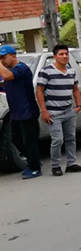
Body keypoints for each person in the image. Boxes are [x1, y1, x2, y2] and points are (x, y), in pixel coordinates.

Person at [36, 44, 81, 177]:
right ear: (54, 57)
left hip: (69, 111)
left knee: (71, 138)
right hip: (53, 113)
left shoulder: (71, 71)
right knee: (57, 140)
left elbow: (75, 88)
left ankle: (71, 164)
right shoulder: (46, 71)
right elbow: (39, 91)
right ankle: (55, 166)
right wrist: (43, 110)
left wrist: (78, 105)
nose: (64, 56)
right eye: (61, 54)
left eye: (66, 54)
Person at [0, 45, 42, 179]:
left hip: (27, 111)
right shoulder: (8, 71)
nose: (3, 61)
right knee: (16, 140)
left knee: (29, 141)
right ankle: (33, 160)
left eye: (3, 58)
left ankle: (35, 168)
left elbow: (7, 76)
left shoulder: (21, 68)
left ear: (13, 56)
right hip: (15, 112)